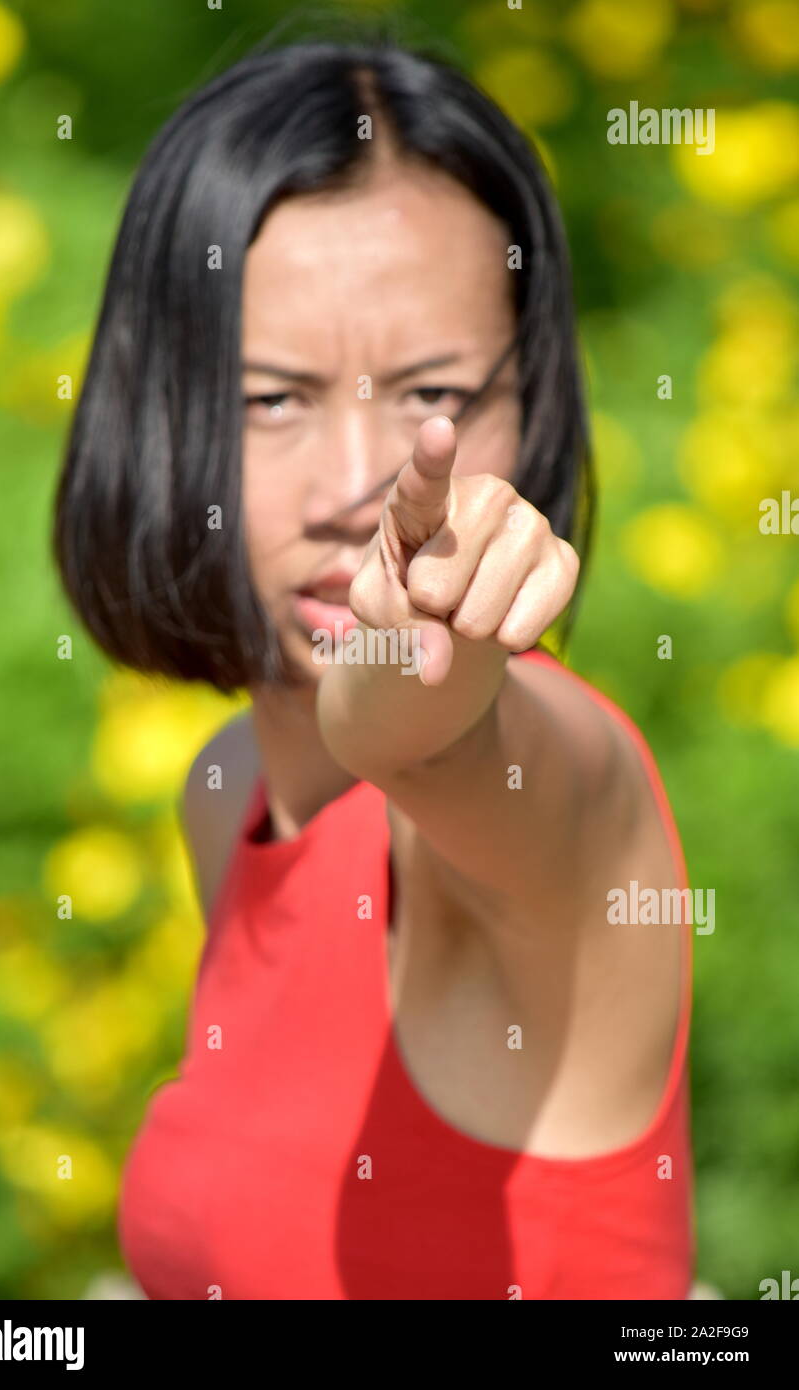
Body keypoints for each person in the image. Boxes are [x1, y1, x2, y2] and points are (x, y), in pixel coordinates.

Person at [53, 33, 694, 1300]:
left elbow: (420, 728)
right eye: (271, 400)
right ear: (158, 411)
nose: (359, 488)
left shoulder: (558, 782)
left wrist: (426, 640)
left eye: (432, 395)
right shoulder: (227, 786)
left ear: (533, 400)